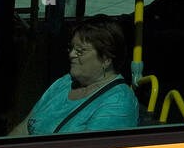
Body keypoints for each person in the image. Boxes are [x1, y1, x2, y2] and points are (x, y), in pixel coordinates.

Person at [10, 16, 138, 135]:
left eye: (80, 51)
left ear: (106, 59)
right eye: (71, 48)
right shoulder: (64, 83)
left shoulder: (118, 102)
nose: (71, 55)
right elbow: (23, 129)